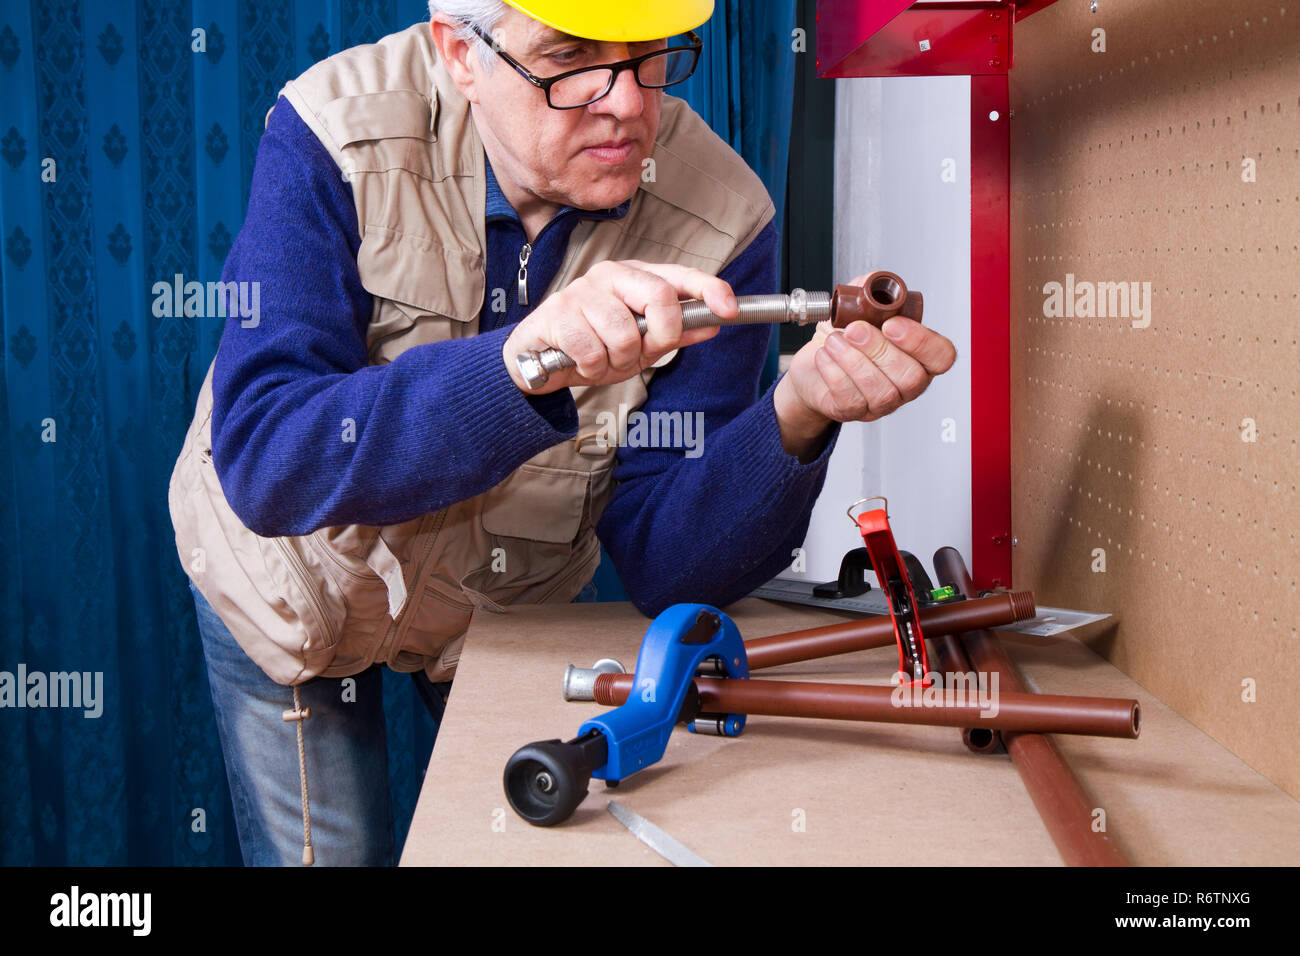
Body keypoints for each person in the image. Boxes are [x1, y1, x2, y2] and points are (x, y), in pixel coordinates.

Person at [168, 0, 957, 866]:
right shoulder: (334, 130)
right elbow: (272, 456)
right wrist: (520, 363)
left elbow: (672, 564)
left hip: (492, 604)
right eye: (570, 57)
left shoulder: (726, 217)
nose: (624, 101)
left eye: (648, 53)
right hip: (291, 578)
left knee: (510, 843)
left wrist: (795, 413)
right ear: (459, 54)